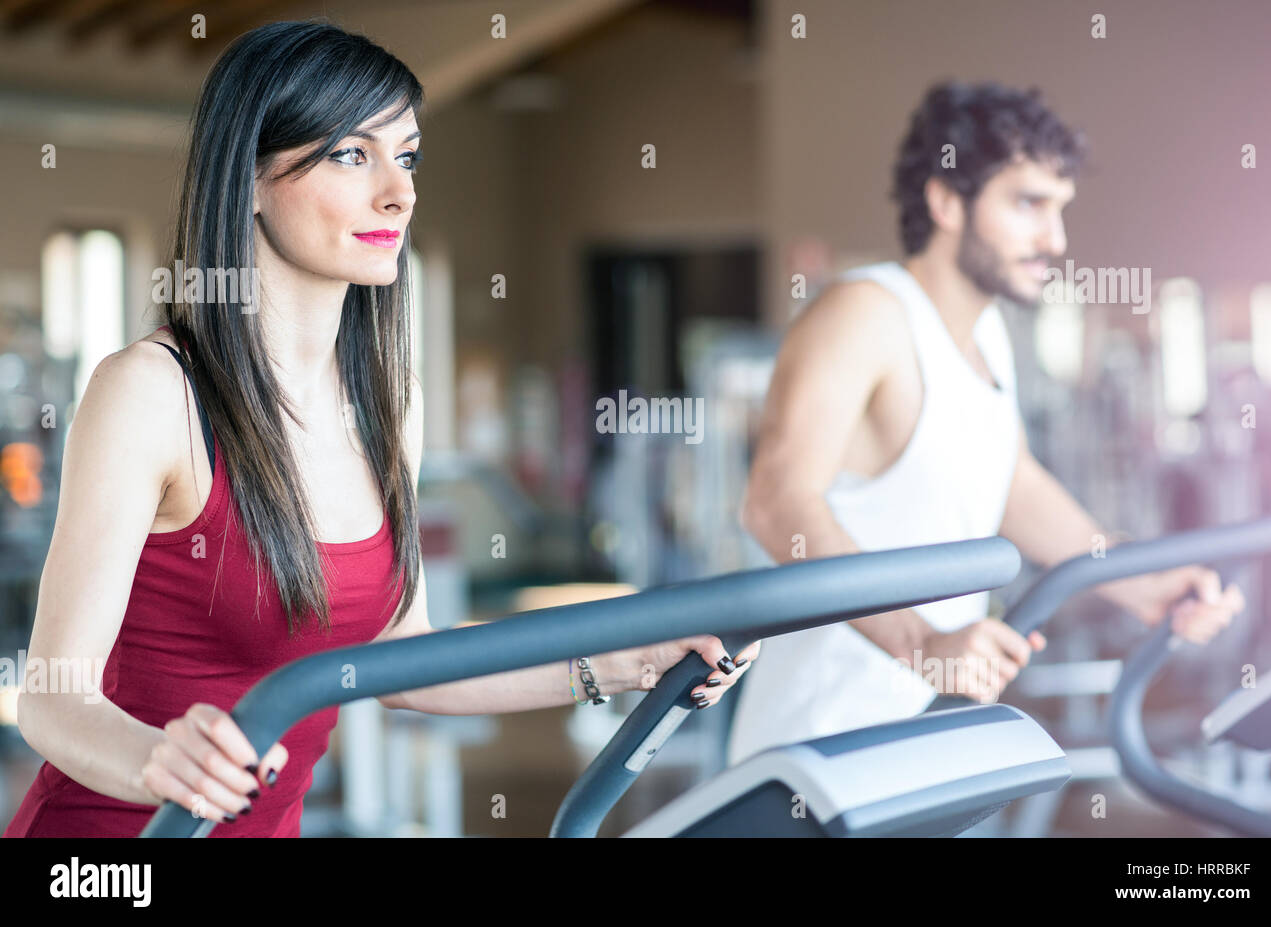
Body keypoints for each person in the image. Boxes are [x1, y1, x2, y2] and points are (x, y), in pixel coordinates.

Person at [4, 20, 757, 839]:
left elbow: (408, 663)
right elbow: (50, 694)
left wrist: (638, 659)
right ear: (248, 178)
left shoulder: (386, 406)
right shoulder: (151, 394)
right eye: (351, 155)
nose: (398, 192)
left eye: (407, 156)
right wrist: (162, 758)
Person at [726, 81, 1241, 766]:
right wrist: (921, 645)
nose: (1054, 238)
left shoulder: (988, 332)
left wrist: (1140, 584)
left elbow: (1013, 483)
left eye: (1060, 209)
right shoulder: (865, 313)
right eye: (1028, 203)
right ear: (944, 200)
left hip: (923, 740)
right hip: (817, 752)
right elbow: (775, 501)